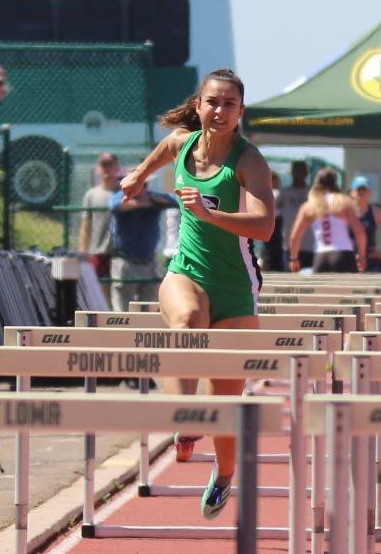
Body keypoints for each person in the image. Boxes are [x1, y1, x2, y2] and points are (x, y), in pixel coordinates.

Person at [119, 68, 275, 520]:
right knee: (187, 319)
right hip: (186, 270)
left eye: (229, 104)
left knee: (225, 404)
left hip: (236, 287)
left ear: (241, 112)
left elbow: (265, 226)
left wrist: (211, 215)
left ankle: (224, 475)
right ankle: (185, 419)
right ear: (199, 104)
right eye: (213, 102)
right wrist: (137, 177)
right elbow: (159, 155)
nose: (220, 111)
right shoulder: (181, 144)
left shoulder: (249, 161)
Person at [108, 183, 176, 311]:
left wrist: (155, 200)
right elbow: (113, 205)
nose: (135, 189)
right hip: (125, 261)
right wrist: (139, 204)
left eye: (140, 185)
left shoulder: (153, 197)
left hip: (149, 261)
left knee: (149, 307)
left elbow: (175, 200)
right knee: (122, 309)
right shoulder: (121, 197)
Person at [288, 168, 367, 273]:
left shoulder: (309, 206)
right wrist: (361, 256)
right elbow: (360, 233)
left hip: (321, 257)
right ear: (335, 182)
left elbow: (295, 237)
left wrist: (294, 259)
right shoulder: (344, 202)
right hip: (344, 255)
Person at [79, 153, 121, 302]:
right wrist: (83, 252)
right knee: (100, 294)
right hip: (98, 251)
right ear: (98, 169)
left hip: (121, 253)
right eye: (104, 165)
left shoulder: (124, 192)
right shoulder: (91, 195)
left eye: (111, 165)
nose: (107, 169)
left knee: (119, 293)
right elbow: (85, 225)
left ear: (117, 168)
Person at [351, 176, 381, 273]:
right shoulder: (346, 213)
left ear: (370, 192)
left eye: (364, 190)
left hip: (370, 261)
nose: (362, 192)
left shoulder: (376, 213)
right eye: (359, 190)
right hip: (350, 260)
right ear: (352, 192)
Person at [278, 161, 312, 268]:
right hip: (289, 246)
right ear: (292, 173)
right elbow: (275, 210)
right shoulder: (284, 192)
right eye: (296, 171)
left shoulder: (312, 193)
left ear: (306, 173)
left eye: (302, 171)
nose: (299, 174)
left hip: (310, 247)